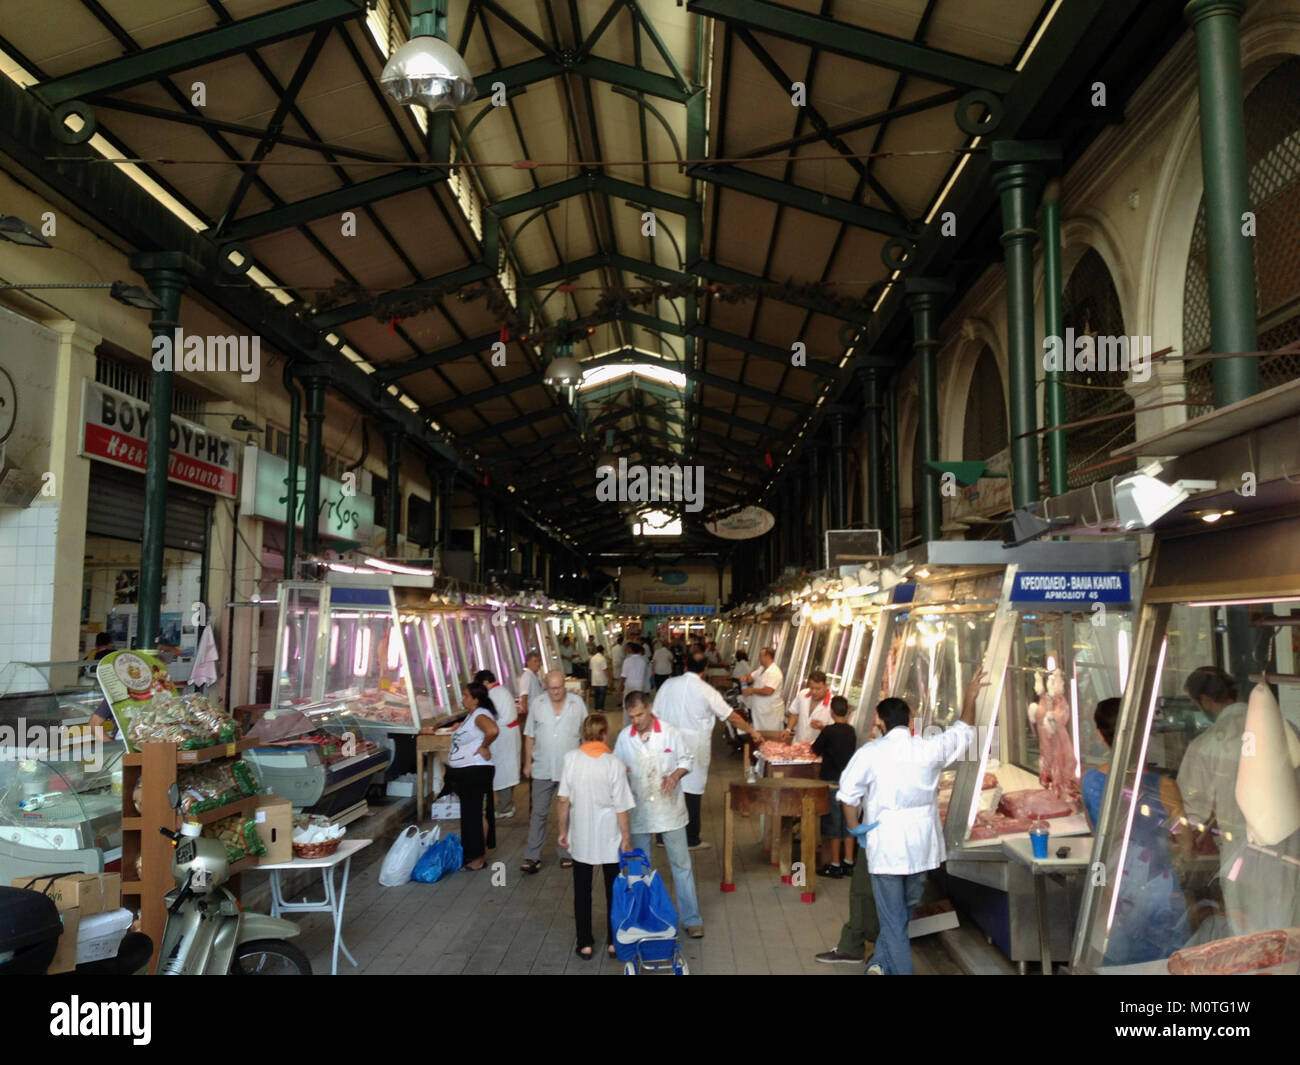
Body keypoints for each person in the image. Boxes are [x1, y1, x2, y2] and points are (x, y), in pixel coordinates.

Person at [835, 669, 983, 974]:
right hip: (922, 851)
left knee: (893, 926)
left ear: (879, 722)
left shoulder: (870, 753)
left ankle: (891, 966)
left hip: (887, 852)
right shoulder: (928, 748)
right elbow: (966, 729)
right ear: (911, 722)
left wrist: (855, 829)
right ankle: (879, 965)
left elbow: (848, 796)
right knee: (900, 917)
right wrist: (971, 696)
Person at [1176, 666, 1300, 935]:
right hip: (1292, 851)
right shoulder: (1288, 728)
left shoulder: (1207, 744)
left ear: (1204, 700)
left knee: (1251, 937)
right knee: (1290, 931)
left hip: (1243, 857)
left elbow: (1192, 811)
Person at [1082, 697, 1188, 963]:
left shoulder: (1090, 781)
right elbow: (1185, 843)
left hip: (1113, 885)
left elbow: (1100, 835)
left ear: (1100, 735)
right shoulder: (1165, 786)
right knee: (1162, 963)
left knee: (1116, 960)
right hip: (1158, 886)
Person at [613, 691, 705, 938]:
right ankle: (643, 919)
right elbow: (616, 772)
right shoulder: (624, 738)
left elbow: (687, 759)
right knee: (639, 868)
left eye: (640, 714)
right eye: (632, 716)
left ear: (650, 708)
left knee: (681, 865)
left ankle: (691, 919)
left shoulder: (670, 732)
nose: (637, 720)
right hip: (639, 812)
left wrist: (675, 776)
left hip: (669, 808)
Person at [654, 651, 764, 849]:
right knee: (692, 789)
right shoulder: (706, 691)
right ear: (704, 670)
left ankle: (663, 837)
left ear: (686, 665)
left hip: (667, 744)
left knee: (667, 786)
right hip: (694, 746)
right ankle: (691, 838)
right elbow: (730, 716)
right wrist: (752, 731)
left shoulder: (668, 685)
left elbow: (654, 714)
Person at [557, 714, 635, 959]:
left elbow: (563, 800)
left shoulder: (571, 759)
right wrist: (626, 838)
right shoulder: (614, 763)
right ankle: (614, 941)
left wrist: (562, 830)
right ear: (604, 734)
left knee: (582, 890)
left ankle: (585, 942)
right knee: (614, 889)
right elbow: (621, 807)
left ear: (584, 733)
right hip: (609, 836)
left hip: (581, 835)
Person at [520, 670, 587, 874]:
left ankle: (567, 852)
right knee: (538, 812)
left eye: (559, 688)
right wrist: (527, 763)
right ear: (546, 686)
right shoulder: (538, 704)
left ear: (564, 687)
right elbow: (530, 735)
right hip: (542, 767)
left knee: (569, 813)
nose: (556, 692)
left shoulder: (577, 704)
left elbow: (586, 735)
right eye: (552, 688)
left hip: (571, 768)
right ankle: (532, 856)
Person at [443, 681, 499, 871]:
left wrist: (483, 747)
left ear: (475, 699)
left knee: (473, 815)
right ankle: (476, 853)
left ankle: (477, 859)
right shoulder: (472, 715)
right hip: (468, 771)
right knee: (473, 814)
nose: (463, 698)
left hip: (475, 771)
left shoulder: (480, 714)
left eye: (466, 695)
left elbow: (492, 730)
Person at [813, 695, 858, 879]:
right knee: (848, 824)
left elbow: (815, 749)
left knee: (834, 825)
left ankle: (835, 864)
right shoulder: (851, 731)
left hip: (832, 784)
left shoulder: (829, 731)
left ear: (831, 711)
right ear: (847, 712)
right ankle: (848, 862)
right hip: (849, 784)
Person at [475, 668, 519, 819]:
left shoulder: (493, 694)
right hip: (509, 733)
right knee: (508, 770)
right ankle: (508, 804)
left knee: (502, 772)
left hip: (502, 735)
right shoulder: (502, 690)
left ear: (486, 683)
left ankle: (504, 807)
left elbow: (488, 717)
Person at [740, 647, 785, 732]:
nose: (759, 658)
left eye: (761, 656)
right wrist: (745, 678)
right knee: (759, 734)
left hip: (770, 713)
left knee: (771, 737)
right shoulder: (761, 669)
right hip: (760, 711)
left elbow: (768, 691)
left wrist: (752, 690)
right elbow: (751, 678)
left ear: (767, 656)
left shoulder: (774, 672)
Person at [786, 670, 833, 744]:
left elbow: (833, 731)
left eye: (818, 689)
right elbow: (794, 713)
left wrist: (821, 727)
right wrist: (788, 729)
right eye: (811, 688)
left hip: (816, 748)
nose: (814, 692)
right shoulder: (802, 694)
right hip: (797, 743)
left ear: (826, 686)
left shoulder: (832, 704)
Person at [516, 650, 545, 724]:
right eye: (535, 661)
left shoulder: (534, 676)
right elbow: (524, 698)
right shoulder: (527, 677)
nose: (538, 664)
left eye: (539, 661)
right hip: (534, 715)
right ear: (528, 663)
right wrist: (528, 718)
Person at [588, 644, 609, 711]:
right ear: (603, 651)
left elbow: (590, 670)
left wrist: (590, 679)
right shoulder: (602, 658)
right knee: (602, 695)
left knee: (596, 695)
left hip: (594, 679)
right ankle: (600, 708)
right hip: (602, 679)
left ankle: (596, 707)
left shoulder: (592, 658)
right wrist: (609, 678)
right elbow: (605, 669)